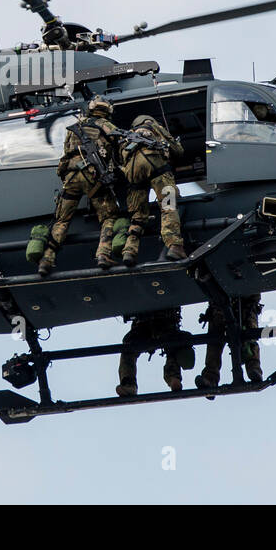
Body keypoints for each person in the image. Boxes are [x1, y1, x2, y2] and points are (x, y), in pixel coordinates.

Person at [37, 97, 121, 275]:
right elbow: (117, 150)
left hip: (71, 176)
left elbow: (67, 152)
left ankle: (47, 258)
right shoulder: (108, 126)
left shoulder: (76, 127)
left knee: (62, 220)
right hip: (93, 177)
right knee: (109, 215)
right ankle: (103, 254)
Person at [117, 113, 186, 266]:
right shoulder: (155, 127)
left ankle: (129, 251)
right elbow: (178, 150)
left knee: (137, 216)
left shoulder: (127, 136)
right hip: (156, 167)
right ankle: (175, 246)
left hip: (133, 173)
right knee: (168, 205)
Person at [116, 308, 195, 396]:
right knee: (128, 349)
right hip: (147, 323)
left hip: (160, 321)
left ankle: (173, 378)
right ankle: (129, 384)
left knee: (173, 345)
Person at [196, 295, 264, 390]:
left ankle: (254, 369)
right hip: (219, 302)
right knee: (214, 341)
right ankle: (210, 378)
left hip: (246, 302)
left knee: (249, 338)